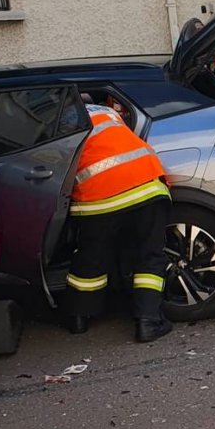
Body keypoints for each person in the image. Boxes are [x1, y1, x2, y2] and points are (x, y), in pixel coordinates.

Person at [64, 104, 173, 343]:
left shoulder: (60, 120)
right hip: (145, 187)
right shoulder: (106, 112)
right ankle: (148, 323)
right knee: (149, 256)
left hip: (97, 199)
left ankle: (79, 317)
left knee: (91, 257)